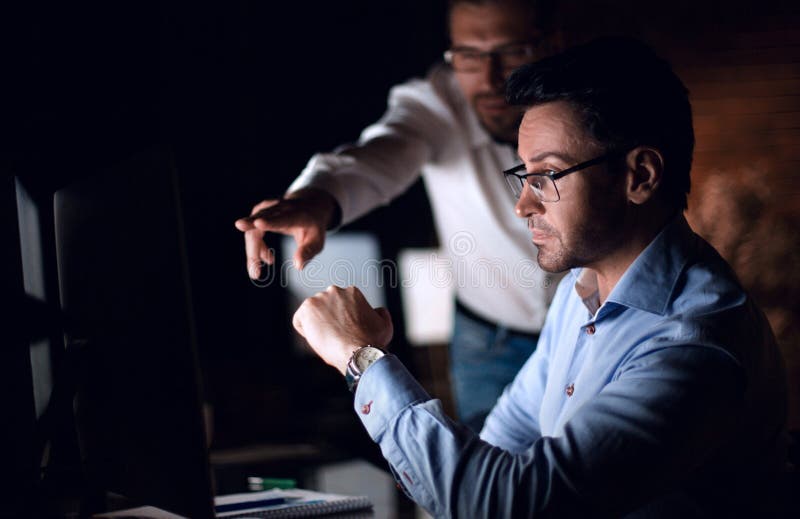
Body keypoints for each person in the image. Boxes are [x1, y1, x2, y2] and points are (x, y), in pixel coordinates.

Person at [290, 37, 788, 517]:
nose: (523, 204)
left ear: (640, 176)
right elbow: (496, 449)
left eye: (547, 176)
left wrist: (362, 359)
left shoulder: (693, 346)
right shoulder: (581, 292)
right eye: (524, 175)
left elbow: (504, 505)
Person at [235, 0, 562, 431]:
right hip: (489, 342)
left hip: (593, 325)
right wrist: (318, 196)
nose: (489, 78)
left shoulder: (588, 100)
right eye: (467, 55)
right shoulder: (437, 103)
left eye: (512, 50)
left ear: (550, 43)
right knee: (491, 479)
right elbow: (380, 152)